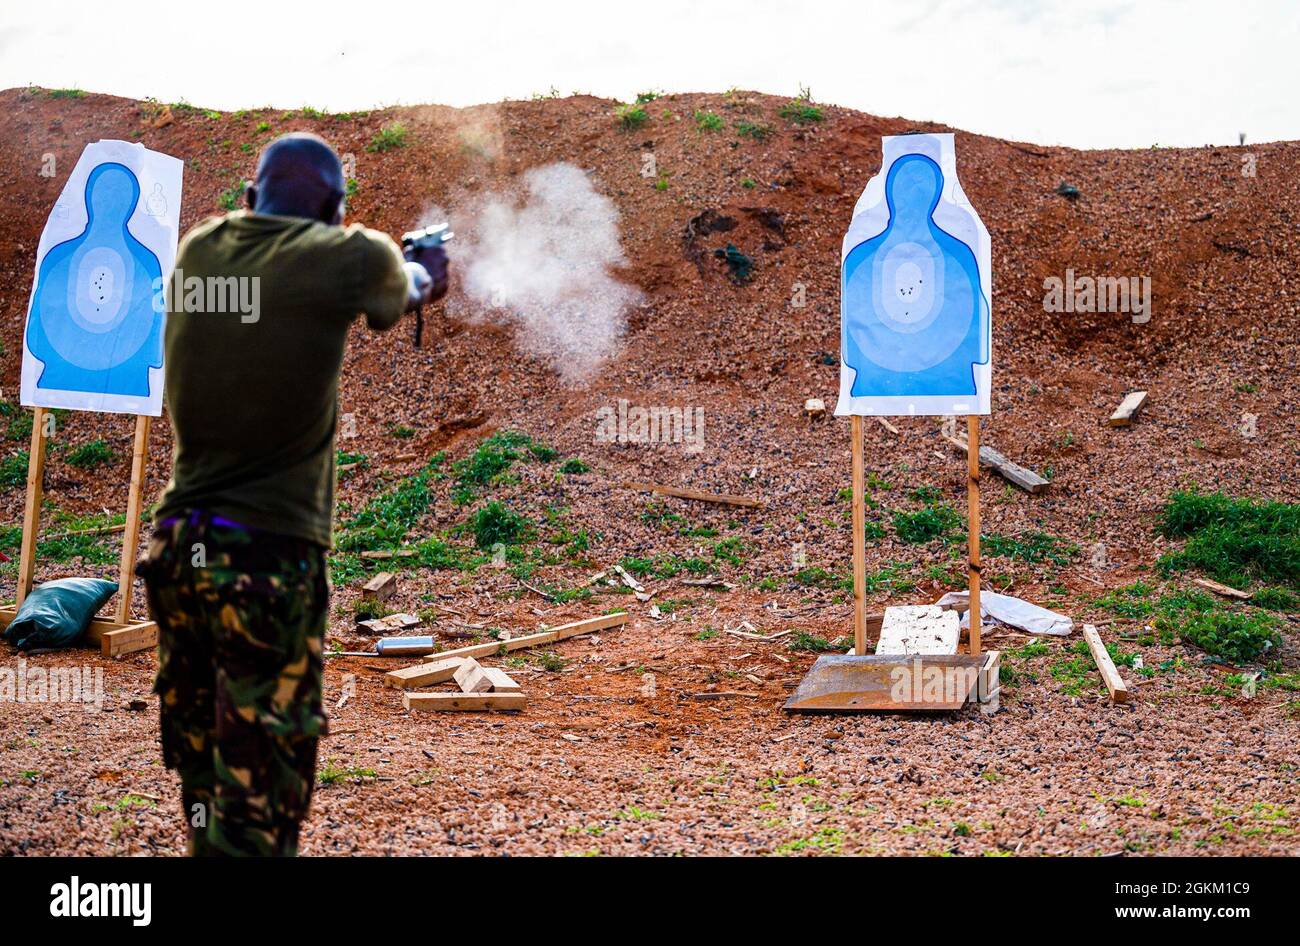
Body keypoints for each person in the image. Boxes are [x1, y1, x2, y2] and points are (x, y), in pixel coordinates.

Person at [139, 132, 448, 856]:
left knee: (204, 779)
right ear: (338, 213)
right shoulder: (349, 255)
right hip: (265, 558)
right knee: (260, 801)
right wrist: (426, 267)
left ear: (249, 200)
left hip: (179, 546)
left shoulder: (198, 250)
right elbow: (398, 294)